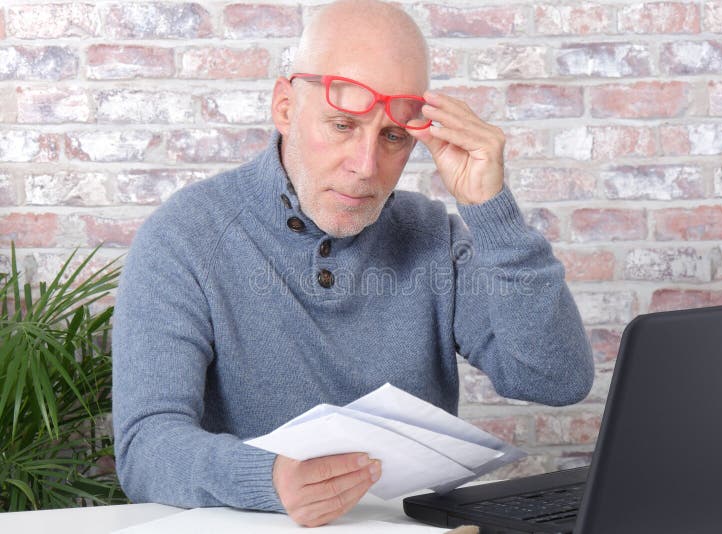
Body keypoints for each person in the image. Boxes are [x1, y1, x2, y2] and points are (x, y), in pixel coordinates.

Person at [112, 0, 594, 528]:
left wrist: (491, 213)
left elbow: (555, 380)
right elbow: (146, 447)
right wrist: (266, 477)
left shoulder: (432, 235)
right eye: (342, 125)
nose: (366, 168)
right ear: (285, 108)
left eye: (392, 137)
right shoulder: (186, 236)